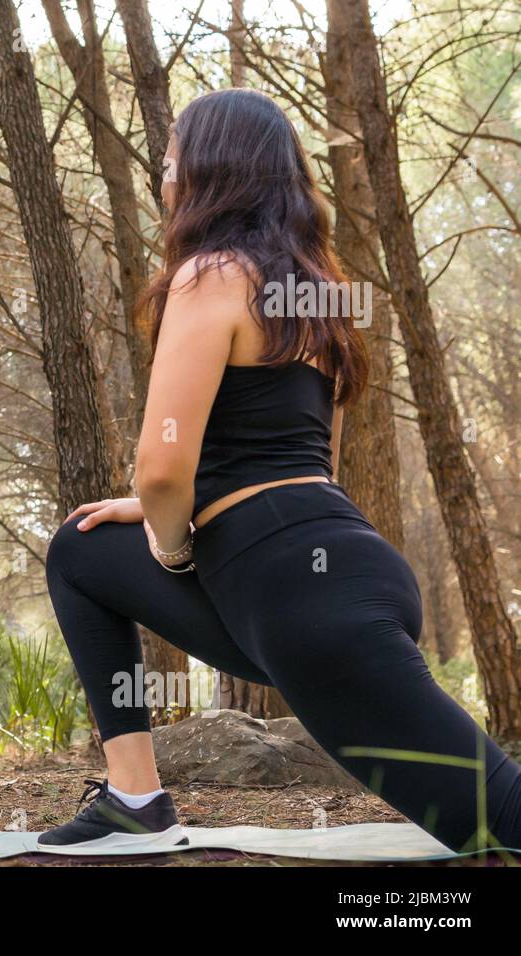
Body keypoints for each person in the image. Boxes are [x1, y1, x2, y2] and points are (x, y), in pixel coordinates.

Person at [38, 89, 521, 855]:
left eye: (169, 157)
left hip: (303, 603)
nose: (163, 172)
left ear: (206, 171)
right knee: (85, 547)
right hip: (326, 577)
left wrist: (172, 544)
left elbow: (165, 465)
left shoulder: (208, 275)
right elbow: (307, 468)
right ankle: (134, 799)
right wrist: (156, 509)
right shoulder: (318, 299)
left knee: (502, 827)